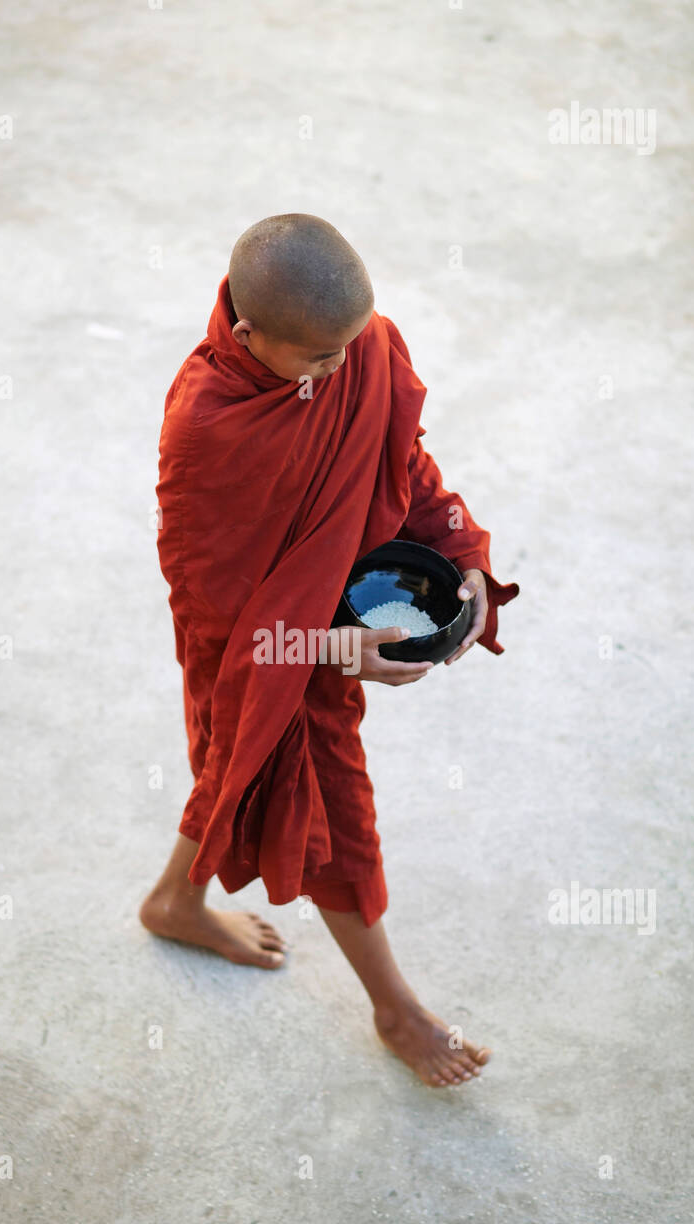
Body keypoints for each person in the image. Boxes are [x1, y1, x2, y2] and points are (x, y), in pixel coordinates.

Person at [141, 214, 519, 1088]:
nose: (342, 369)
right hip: (264, 656)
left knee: (238, 772)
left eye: (352, 346)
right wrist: (327, 650)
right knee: (322, 808)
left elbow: (404, 466)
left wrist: (461, 554)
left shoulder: (356, 344)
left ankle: (173, 900)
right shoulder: (207, 428)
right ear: (249, 335)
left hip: (332, 613)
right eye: (318, 358)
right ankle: (396, 1011)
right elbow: (212, 610)